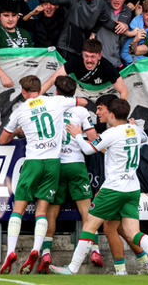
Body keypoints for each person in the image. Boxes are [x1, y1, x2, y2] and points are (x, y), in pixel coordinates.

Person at [50, 98, 148, 275]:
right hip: (132, 189)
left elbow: (88, 150)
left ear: (112, 114)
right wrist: (134, 126)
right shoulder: (135, 130)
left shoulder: (111, 134)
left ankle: (72, 268)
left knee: (89, 226)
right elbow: (144, 137)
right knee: (133, 232)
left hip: (113, 188)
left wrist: (77, 135)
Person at [0, 74, 87, 275]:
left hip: (33, 162)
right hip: (53, 163)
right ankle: (37, 249)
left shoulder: (21, 110)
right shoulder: (55, 101)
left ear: (24, 92)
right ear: (40, 89)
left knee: (18, 209)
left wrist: (18, 131)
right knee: (42, 210)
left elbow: (3, 140)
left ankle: (10, 252)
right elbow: (82, 101)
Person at [39, 75, 100, 273]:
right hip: (76, 164)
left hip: (55, 164)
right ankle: (95, 249)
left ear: (57, 91)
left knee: (51, 211)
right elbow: (93, 138)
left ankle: (46, 252)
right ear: (74, 92)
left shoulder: (49, 106)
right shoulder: (81, 111)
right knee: (86, 210)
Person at [47, 0, 124, 62]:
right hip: (65, 49)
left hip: (82, 51)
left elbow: (106, 22)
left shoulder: (100, 3)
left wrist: (125, 28)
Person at [42, 38, 129, 99]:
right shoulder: (75, 61)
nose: (89, 60)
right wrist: (36, 96)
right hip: (79, 93)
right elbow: (53, 79)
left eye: (93, 57)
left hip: (102, 94)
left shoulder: (107, 67)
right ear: (82, 54)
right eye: (86, 56)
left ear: (99, 56)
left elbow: (124, 91)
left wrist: (120, 114)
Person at [0, 0, 34, 87]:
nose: (10, 19)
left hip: (24, 81)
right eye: (6, 15)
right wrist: (3, 76)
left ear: (18, 16)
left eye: (14, 15)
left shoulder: (25, 33)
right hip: (2, 82)